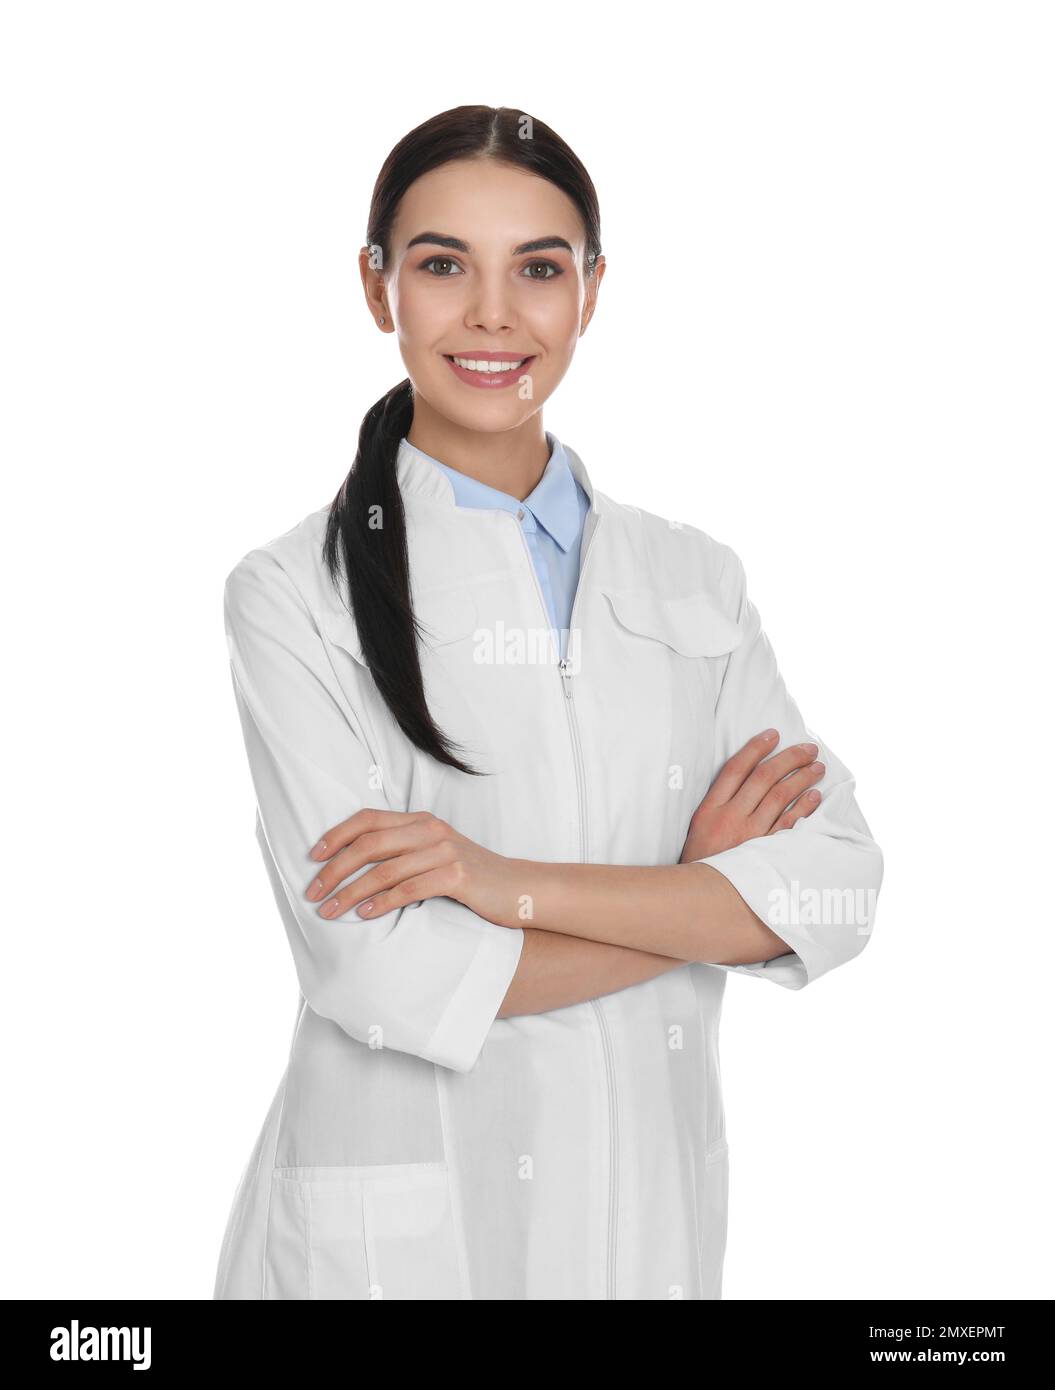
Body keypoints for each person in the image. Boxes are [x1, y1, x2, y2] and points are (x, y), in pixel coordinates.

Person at [213, 104, 883, 1301]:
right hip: (398, 1241)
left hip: (646, 1226)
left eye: (537, 267)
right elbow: (378, 978)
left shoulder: (693, 578)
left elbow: (833, 887)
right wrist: (695, 897)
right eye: (439, 266)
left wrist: (495, 885)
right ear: (377, 288)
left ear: (590, 290)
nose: (490, 315)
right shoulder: (290, 595)